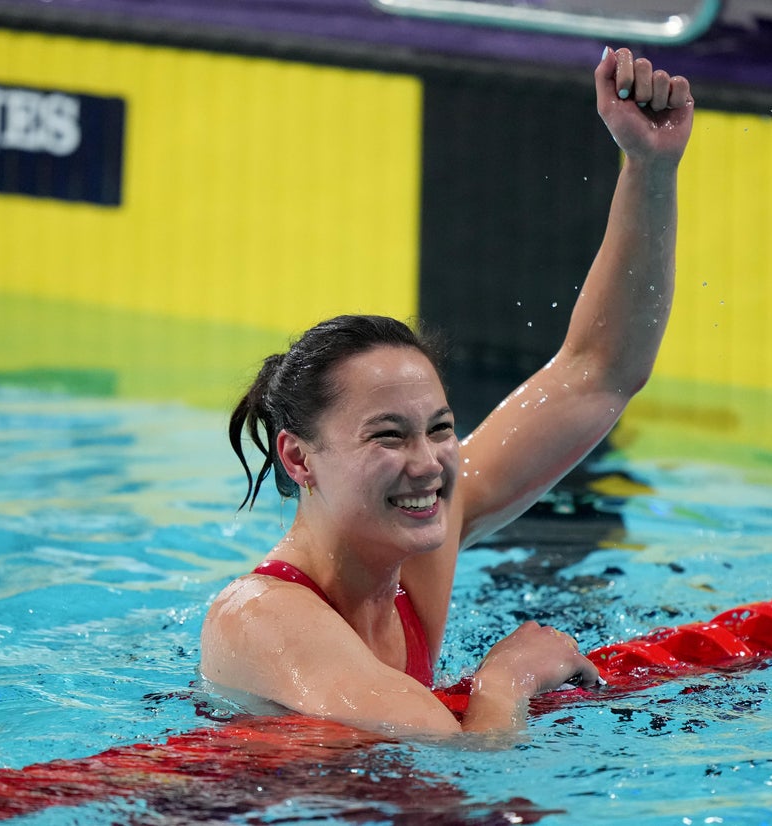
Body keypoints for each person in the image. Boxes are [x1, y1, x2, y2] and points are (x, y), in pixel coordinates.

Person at [200, 47, 694, 737]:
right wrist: (507, 676)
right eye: (388, 434)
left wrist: (650, 168)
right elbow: (457, 759)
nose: (430, 461)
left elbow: (600, 371)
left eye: (438, 427)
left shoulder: (416, 543)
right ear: (299, 458)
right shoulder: (261, 616)